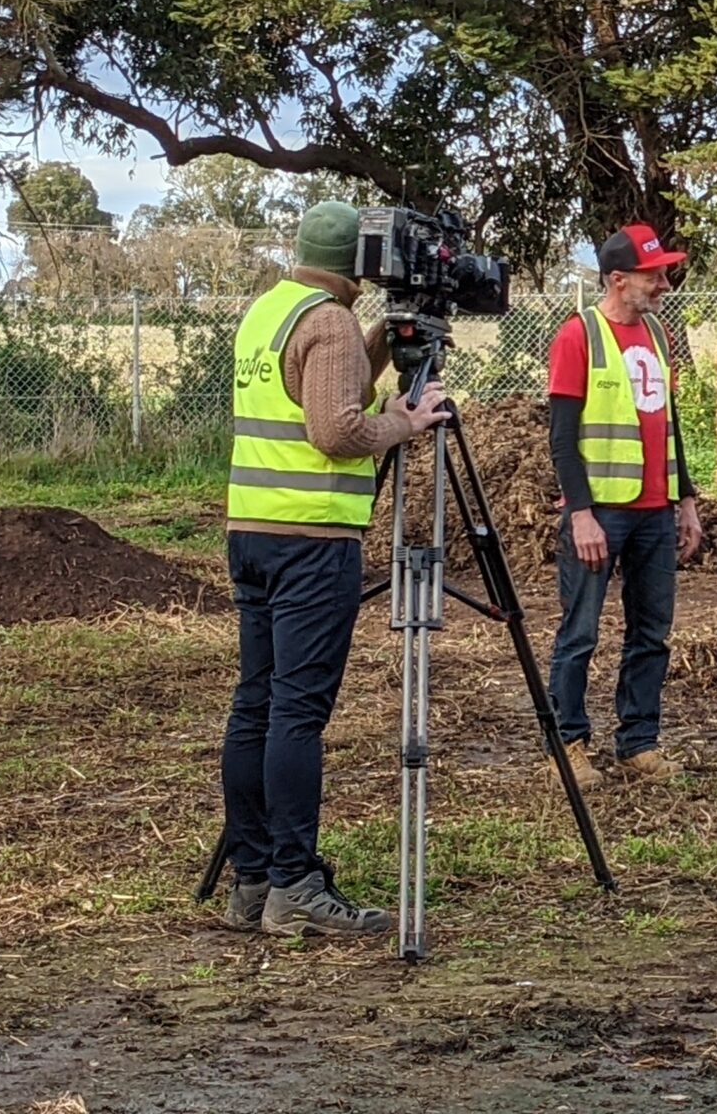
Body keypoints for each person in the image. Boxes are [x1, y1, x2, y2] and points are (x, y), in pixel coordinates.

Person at [222, 201, 452, 938]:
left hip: (253, 530)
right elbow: (337, 428)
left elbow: (318, 389)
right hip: (312, 540)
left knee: (255, 705)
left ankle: (253, 879)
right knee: (296, 712)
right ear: (360, 263)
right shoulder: (330, 322)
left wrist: (382, 336)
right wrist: (405, 423)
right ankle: (295, 884)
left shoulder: (272, 312)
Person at [546, 224, 705, 787]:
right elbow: (562, 438)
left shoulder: (659, 334)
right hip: (601, 513)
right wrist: (581, 514)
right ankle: (567, 744)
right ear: (618, 279)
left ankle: (638, 742)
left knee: (651, 632)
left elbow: (670, 423)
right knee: (580, 634)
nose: (664, 284)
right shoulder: (579, 336)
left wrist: (686, 500)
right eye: (653, 275)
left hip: (655, 512)